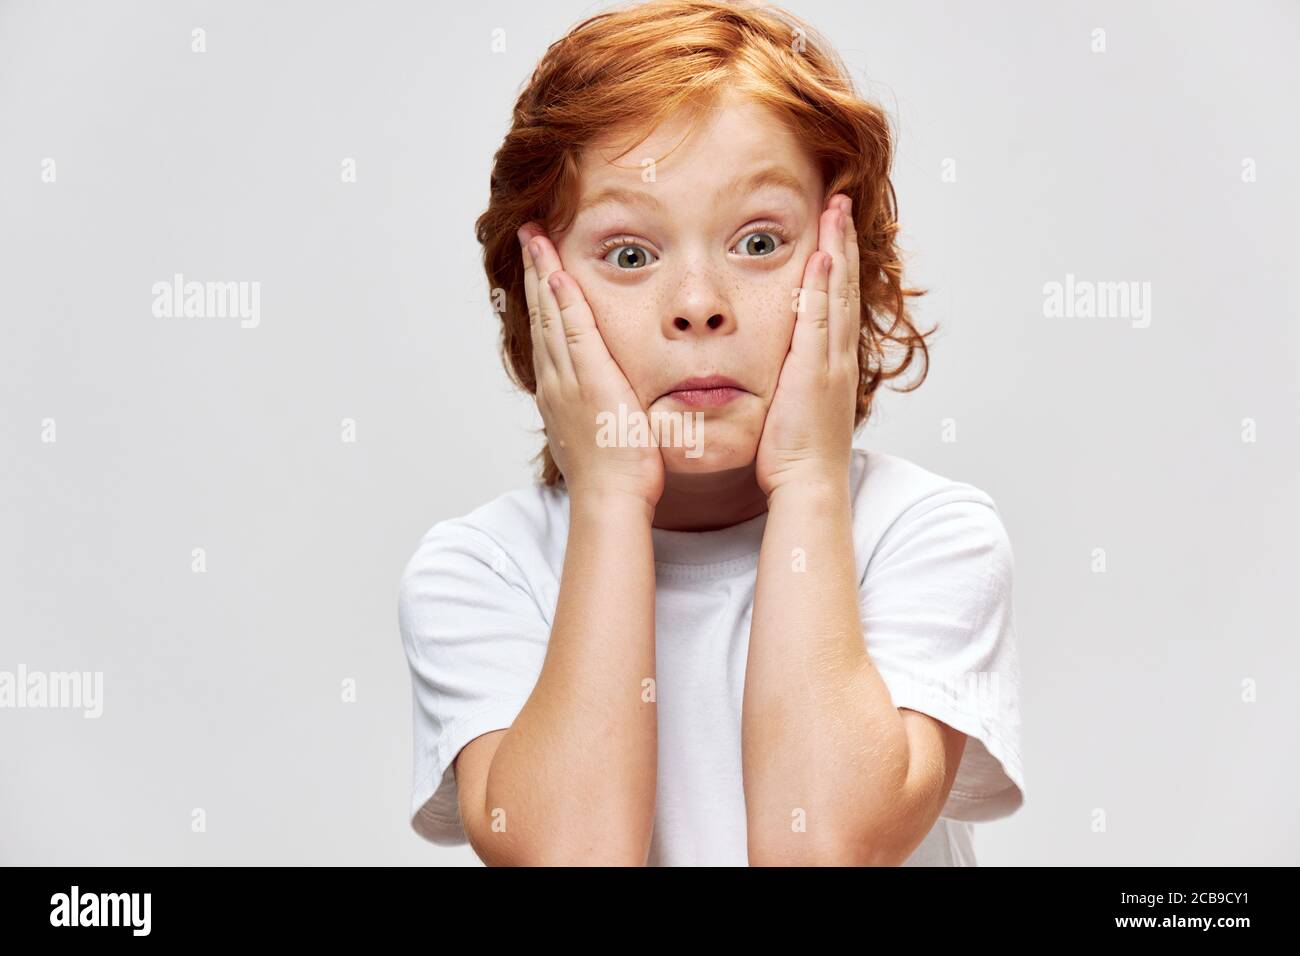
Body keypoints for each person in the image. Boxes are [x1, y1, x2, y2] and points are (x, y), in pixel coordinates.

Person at [399, 0, 1024, 866]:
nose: (699, 303)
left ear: (850, 268)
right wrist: (612, 498)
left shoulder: (923, 536)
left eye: (759, 240)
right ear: (537, 297)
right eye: (629, 255)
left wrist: (808, 478)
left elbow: (824, 850)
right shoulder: (484, 570)